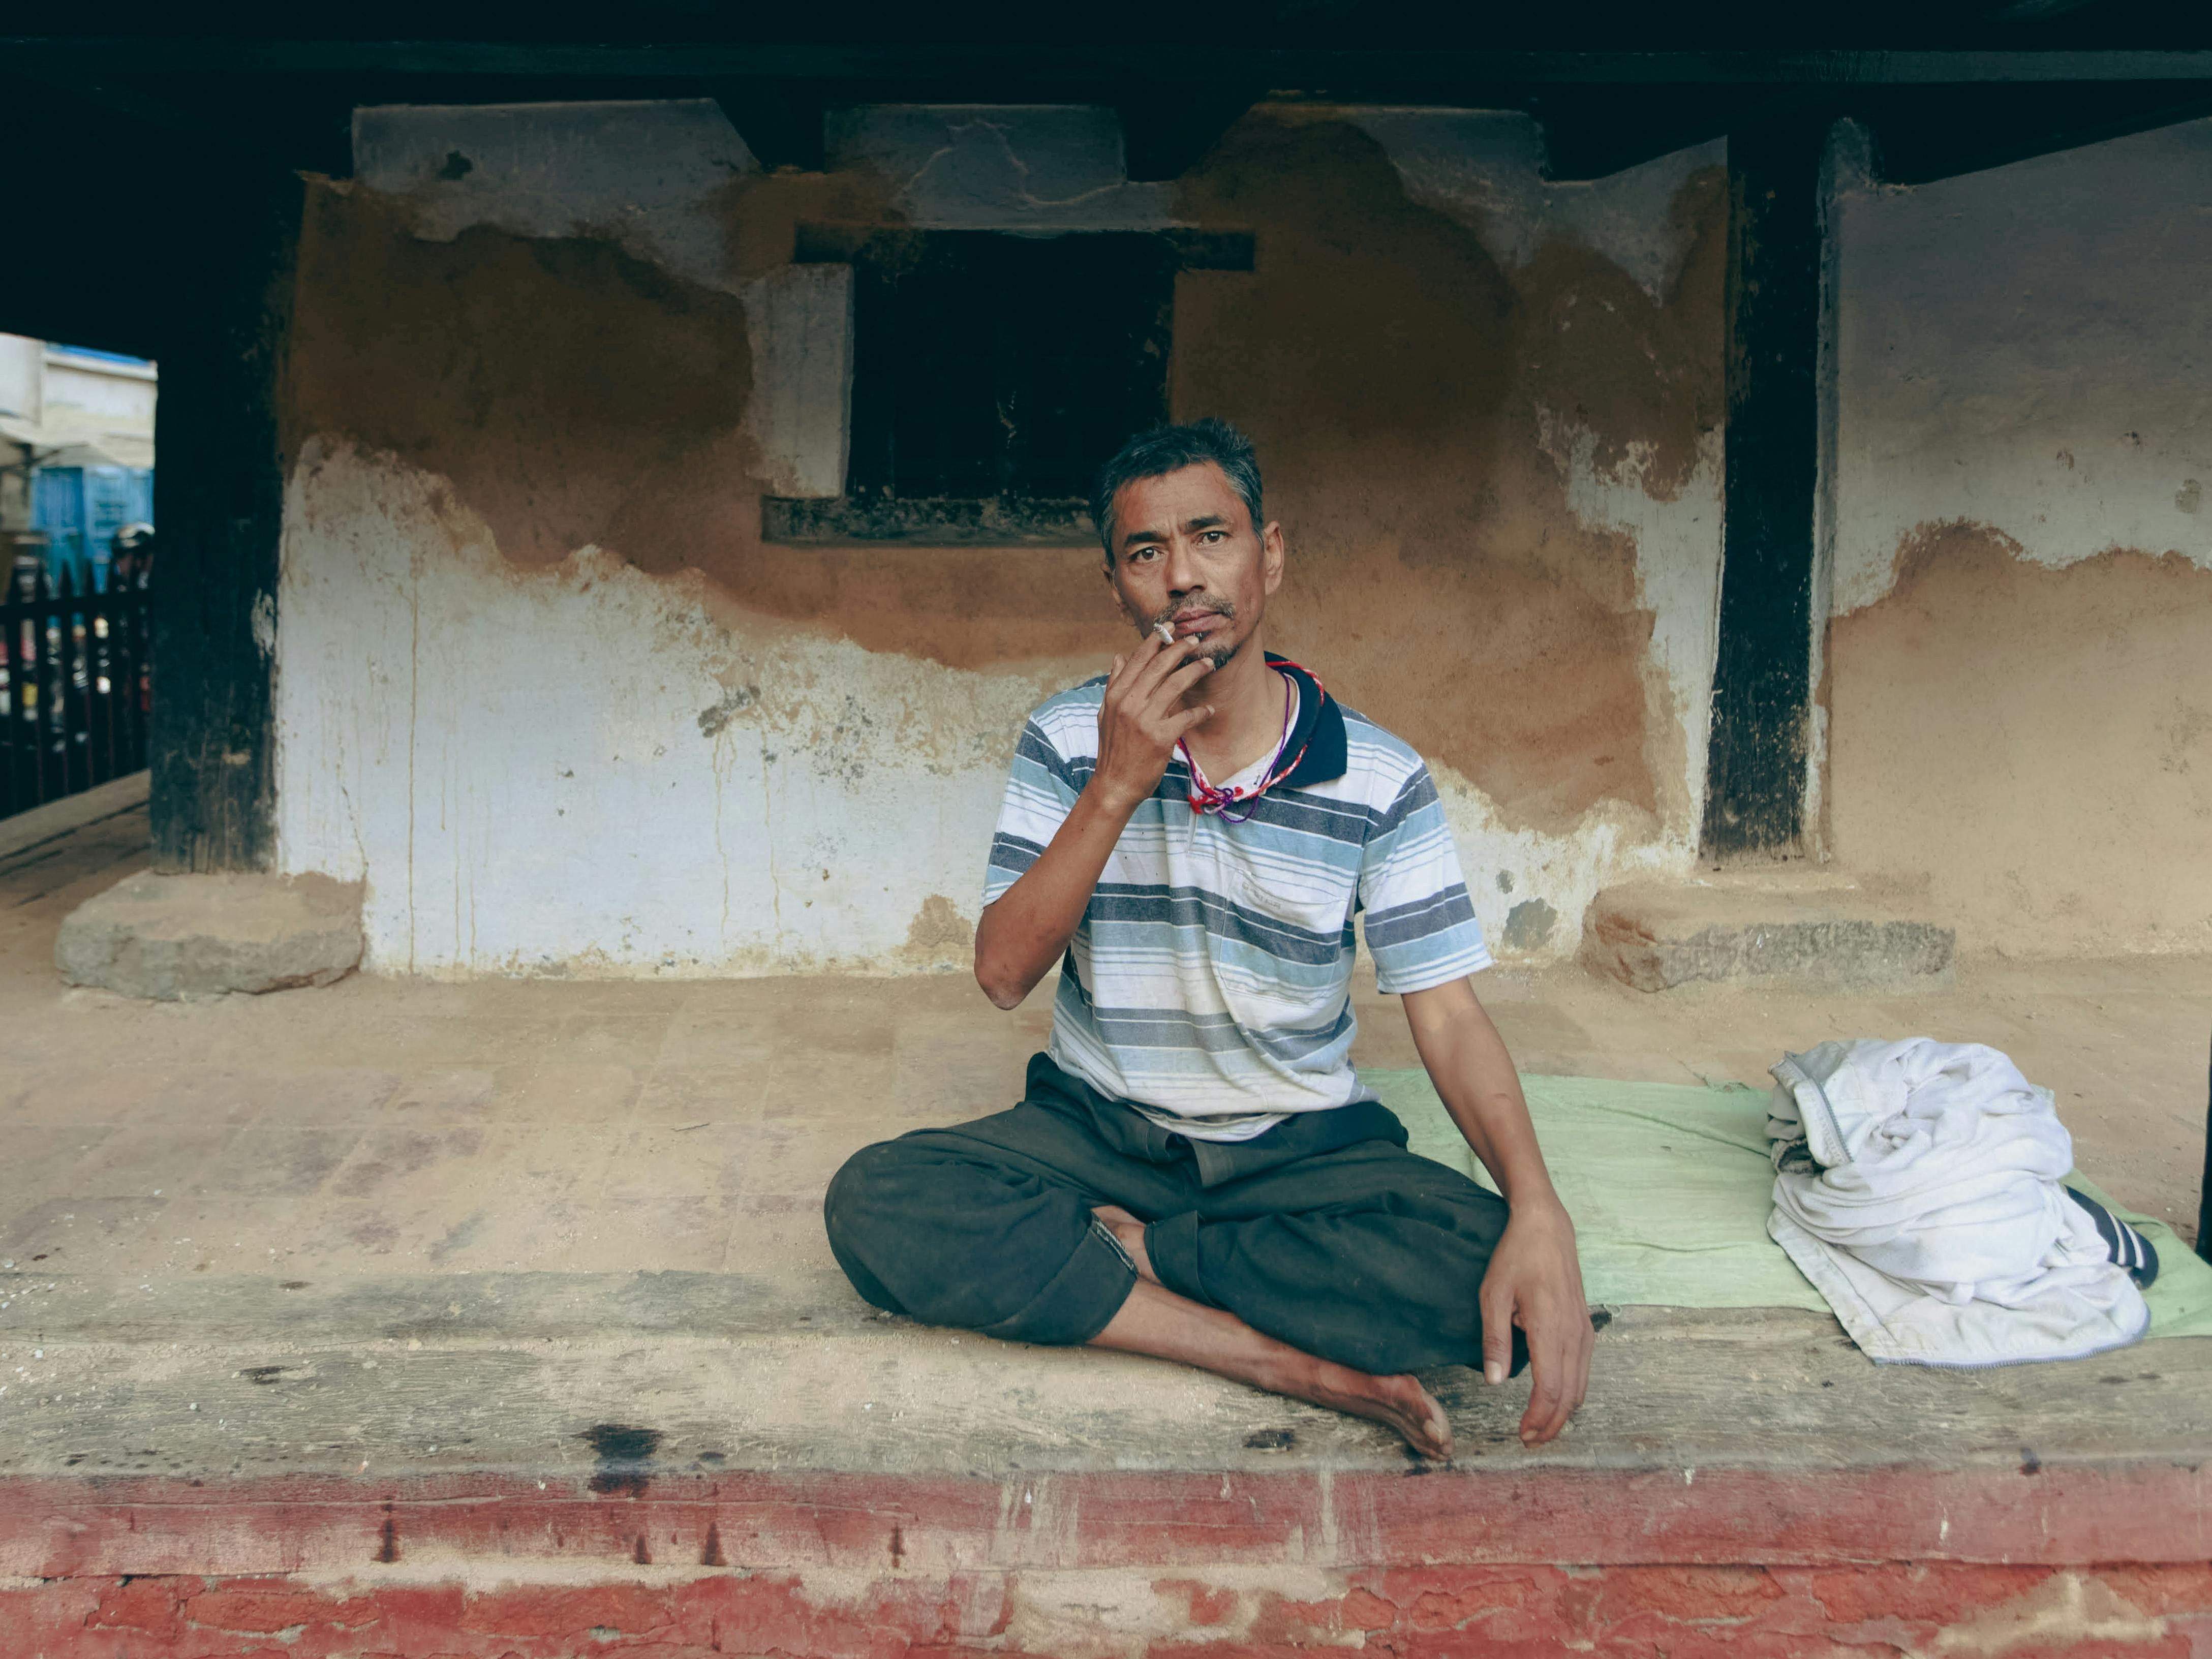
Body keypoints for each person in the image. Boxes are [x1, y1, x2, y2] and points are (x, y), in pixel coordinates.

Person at [823, 419, 1591, 1455]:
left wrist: (1539, 1209)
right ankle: (1269, 1353)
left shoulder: (1378, 776)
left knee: (1485, 1268)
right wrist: (1118, 780)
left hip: (1299, 1148)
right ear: (1117, 587)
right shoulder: (1068, 739)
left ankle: (1135, 1260)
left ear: (1267, 554)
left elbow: (1447, 1014)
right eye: (1146, 552)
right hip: (1103, 1134)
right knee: (880, 1202)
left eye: (1210, 538)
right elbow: (1004, 974)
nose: (1183, 576)